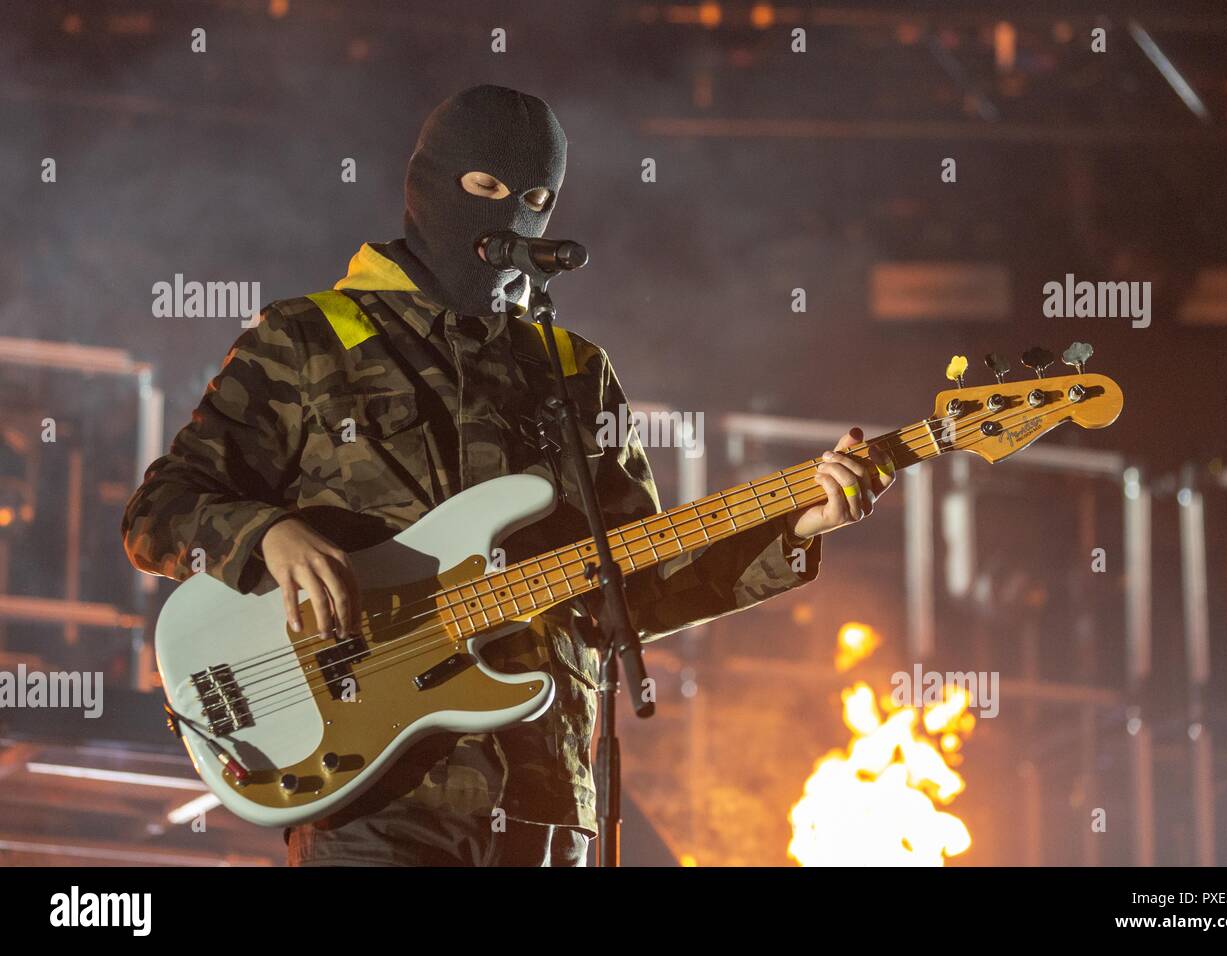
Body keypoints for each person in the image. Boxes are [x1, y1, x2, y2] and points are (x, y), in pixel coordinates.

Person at [122, 84, 892, 866]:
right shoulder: (311, 338)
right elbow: (160, 509)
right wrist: (269, 535)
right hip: (379, 799)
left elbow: (634, 589)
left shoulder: (574, 369)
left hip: (545, 800)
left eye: (533, 198)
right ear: (428, 184)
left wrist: (792, 527)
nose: (508, 216)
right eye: (484, 189)